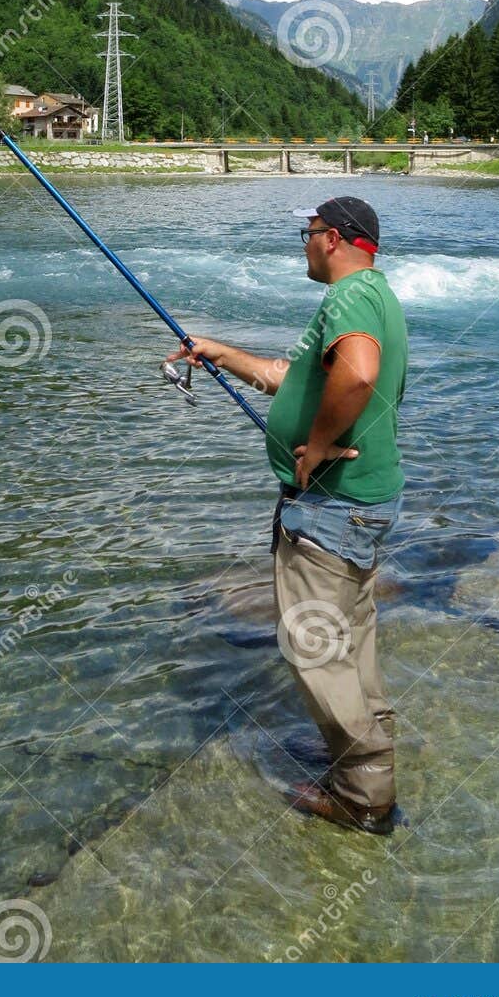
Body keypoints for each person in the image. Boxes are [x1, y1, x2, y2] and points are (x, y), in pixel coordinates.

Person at [168, 196, 408, 834]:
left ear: (334, 239)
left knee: (316, 650)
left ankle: (362, 799)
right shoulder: (376, 296)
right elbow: (294, 376)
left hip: (332, 507)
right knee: (352, 639)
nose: (303, 243)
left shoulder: (348, 300)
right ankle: (370, 757)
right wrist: (224, 355)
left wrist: (322, 446)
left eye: (307, 234)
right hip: (361, 504)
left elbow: (356, 376)